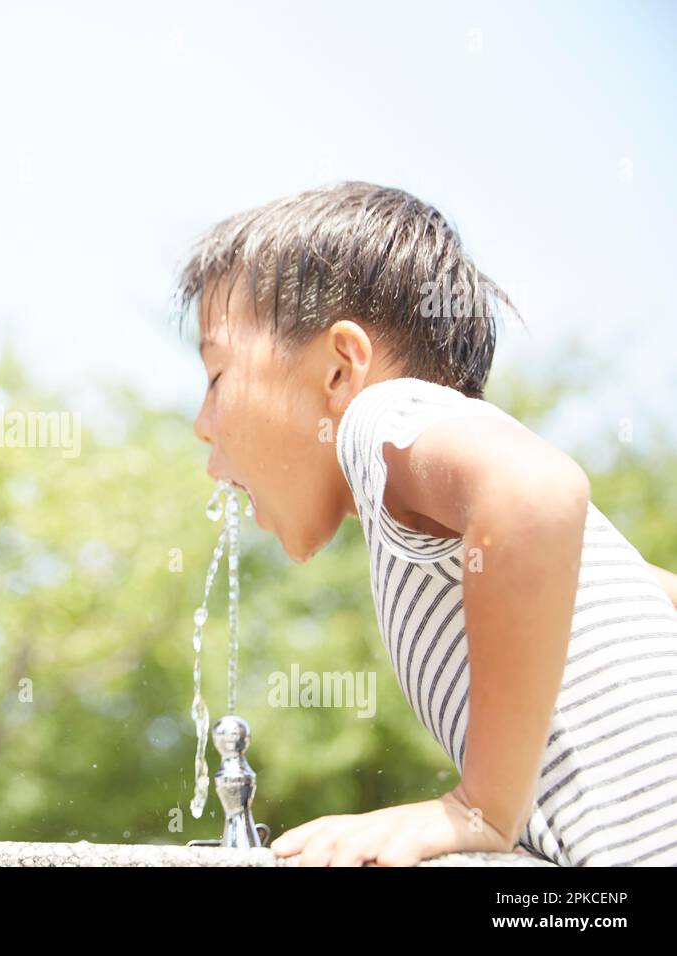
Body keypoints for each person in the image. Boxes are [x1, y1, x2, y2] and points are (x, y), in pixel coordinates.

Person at [179, 181, 677, 866]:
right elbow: (642, 593)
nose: (203, 426)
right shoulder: (425, 499)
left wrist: (481, 808)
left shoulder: (379, 417)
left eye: (216, 376)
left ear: (339, 369)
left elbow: (538, 491)